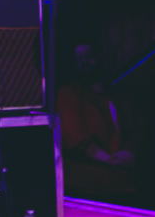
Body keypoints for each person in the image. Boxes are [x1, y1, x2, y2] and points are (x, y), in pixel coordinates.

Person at [56, 43, 136, 199]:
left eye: (89, 56)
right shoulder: (69, 94)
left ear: (99, 58)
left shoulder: (118, 96)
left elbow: (136, 130)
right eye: (79, 58)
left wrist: (128, 154)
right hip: (88, 188)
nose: (84, 61)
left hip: (125, 184)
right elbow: (74, 138)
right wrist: (111, 161)